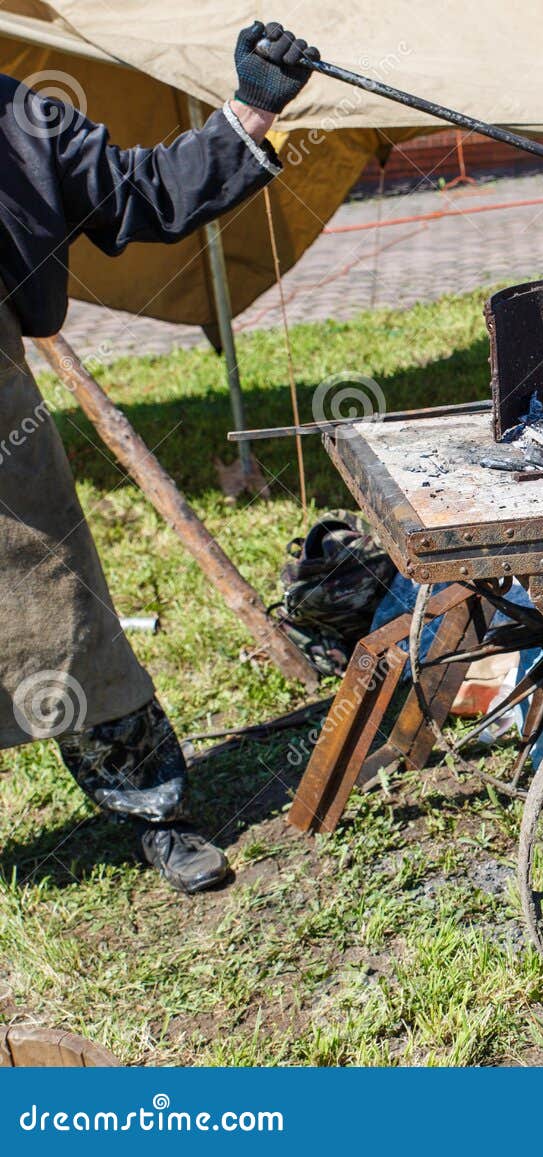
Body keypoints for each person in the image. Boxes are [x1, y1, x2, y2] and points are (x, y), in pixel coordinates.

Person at [0, 22, 317, 893]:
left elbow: (138, 193)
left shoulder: (16, 119)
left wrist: (251, 111)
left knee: (57, 613)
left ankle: (153, 807)